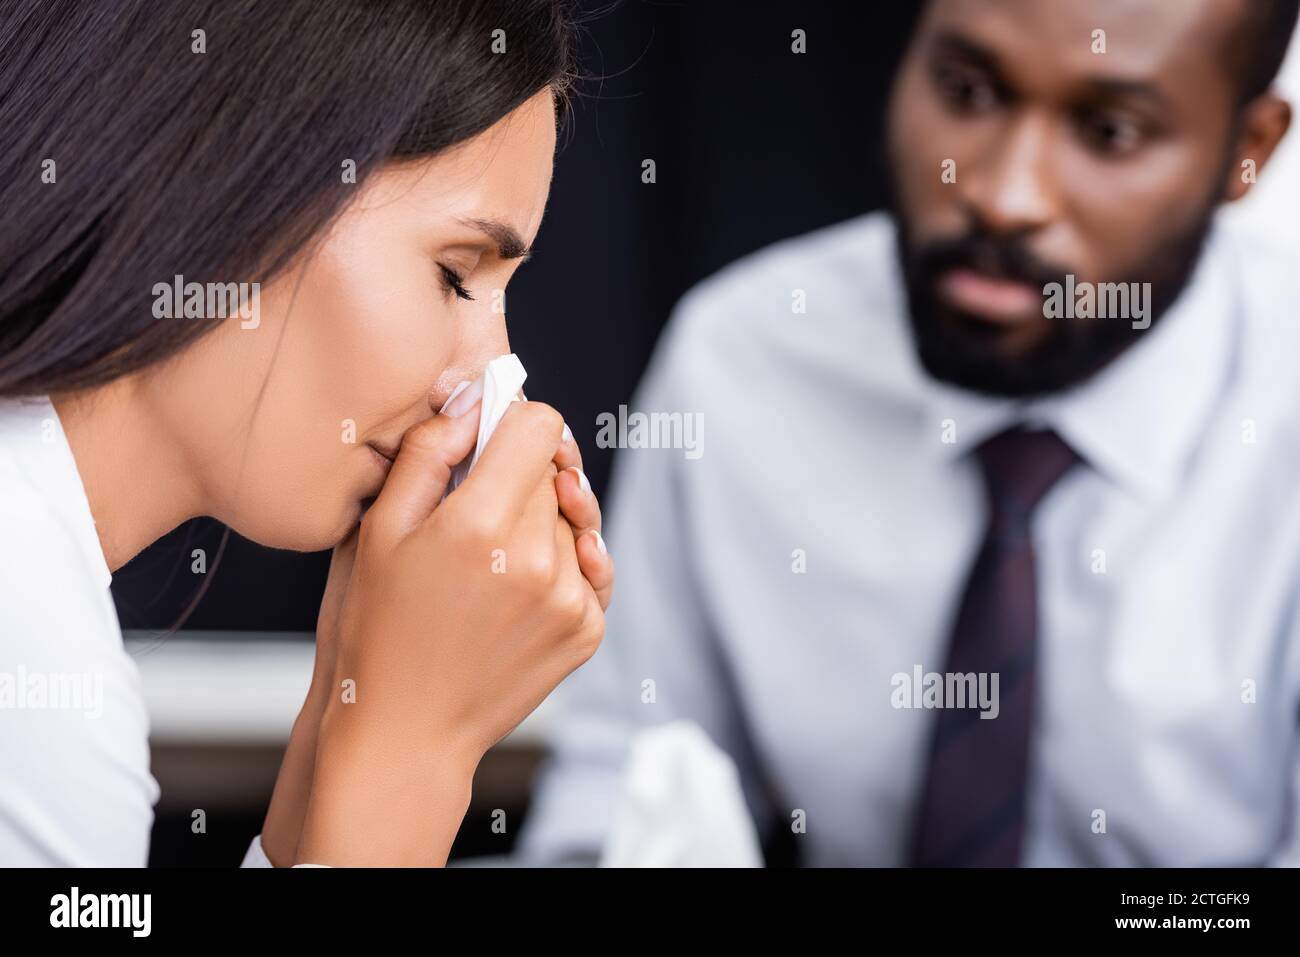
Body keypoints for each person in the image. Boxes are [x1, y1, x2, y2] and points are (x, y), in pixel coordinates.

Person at [521, 0, 1300, 866]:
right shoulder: (747, 358)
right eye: (966, 90)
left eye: (1111, 132)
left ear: (1249, 152)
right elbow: (623, 791)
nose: (1004, 197)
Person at [0, 0, 613, 867]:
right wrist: (418, 747)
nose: (487, 377)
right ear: (233, 172)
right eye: (453, 274)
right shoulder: (33, 680)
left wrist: (352, 700)